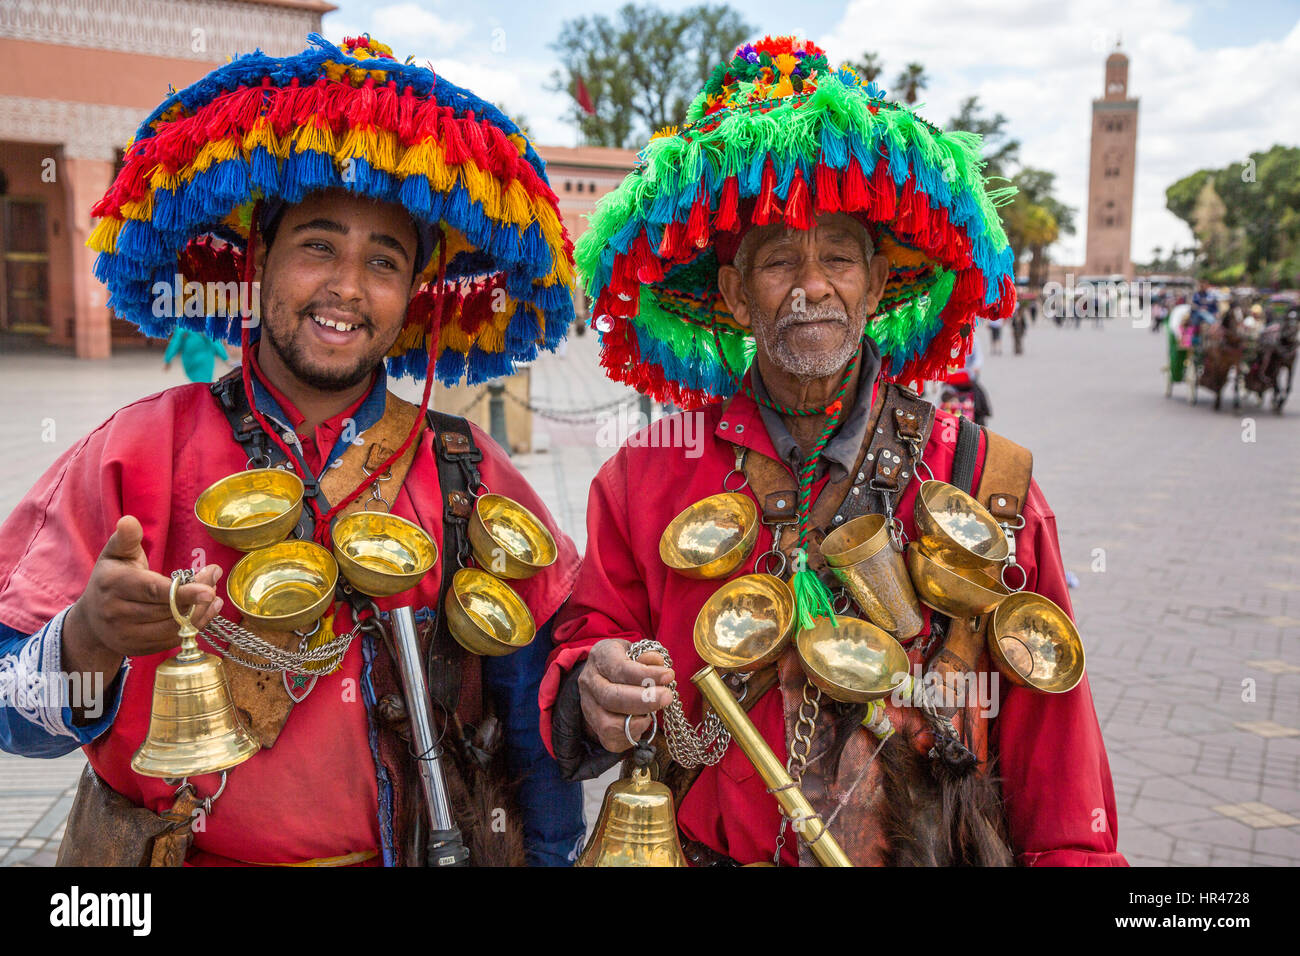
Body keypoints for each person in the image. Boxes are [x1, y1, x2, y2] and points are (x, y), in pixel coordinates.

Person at [0, 35, 585, 867]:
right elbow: (11, 713)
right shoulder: (135, 452)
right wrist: (88, 637)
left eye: (383, 261)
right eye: (318, 245)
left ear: (413, 294)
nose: (347, 286)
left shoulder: (470, 474)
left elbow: (536, 736)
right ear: (259, 256)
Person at [540, 37, 1125, 867]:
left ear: (879, 284)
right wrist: (592, 682)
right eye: (779, 260)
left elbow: (1060, 774)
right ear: (736, 294)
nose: (812, 286)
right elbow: (585, 648)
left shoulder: (986, 481)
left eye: (838, 258)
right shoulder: (645, 477)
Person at [163, 327, 231, 383]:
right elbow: (215, 342)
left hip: (199, 360)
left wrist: (168, 359)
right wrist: (225, 358)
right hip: (199, 360)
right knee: (203, 384)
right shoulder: (205, 323)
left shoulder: (184, 323)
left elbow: (175, 343)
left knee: (200, 384)